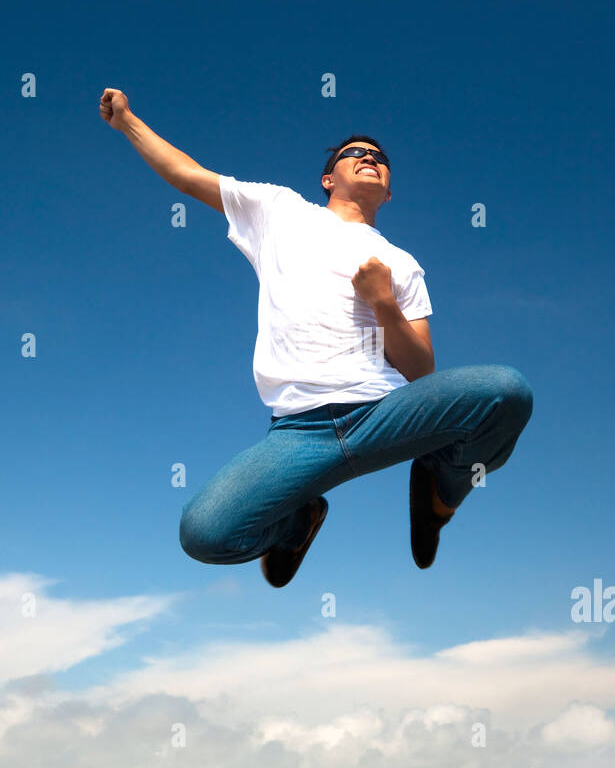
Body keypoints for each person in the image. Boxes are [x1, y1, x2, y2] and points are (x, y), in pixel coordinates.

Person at [99, 87, 533, 588]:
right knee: (204, 533)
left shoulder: (404, 264)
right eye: (357, 154)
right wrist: (128, 121)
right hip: (298, 433)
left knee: (507, 392)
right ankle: (297, 523)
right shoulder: (280, 212)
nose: (370, 158)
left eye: (380, 159)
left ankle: (440, 489)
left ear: (388, 191)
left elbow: (421, 371)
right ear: (329, 179)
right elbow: (187, 175)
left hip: (383, 416)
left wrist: (384, 303)